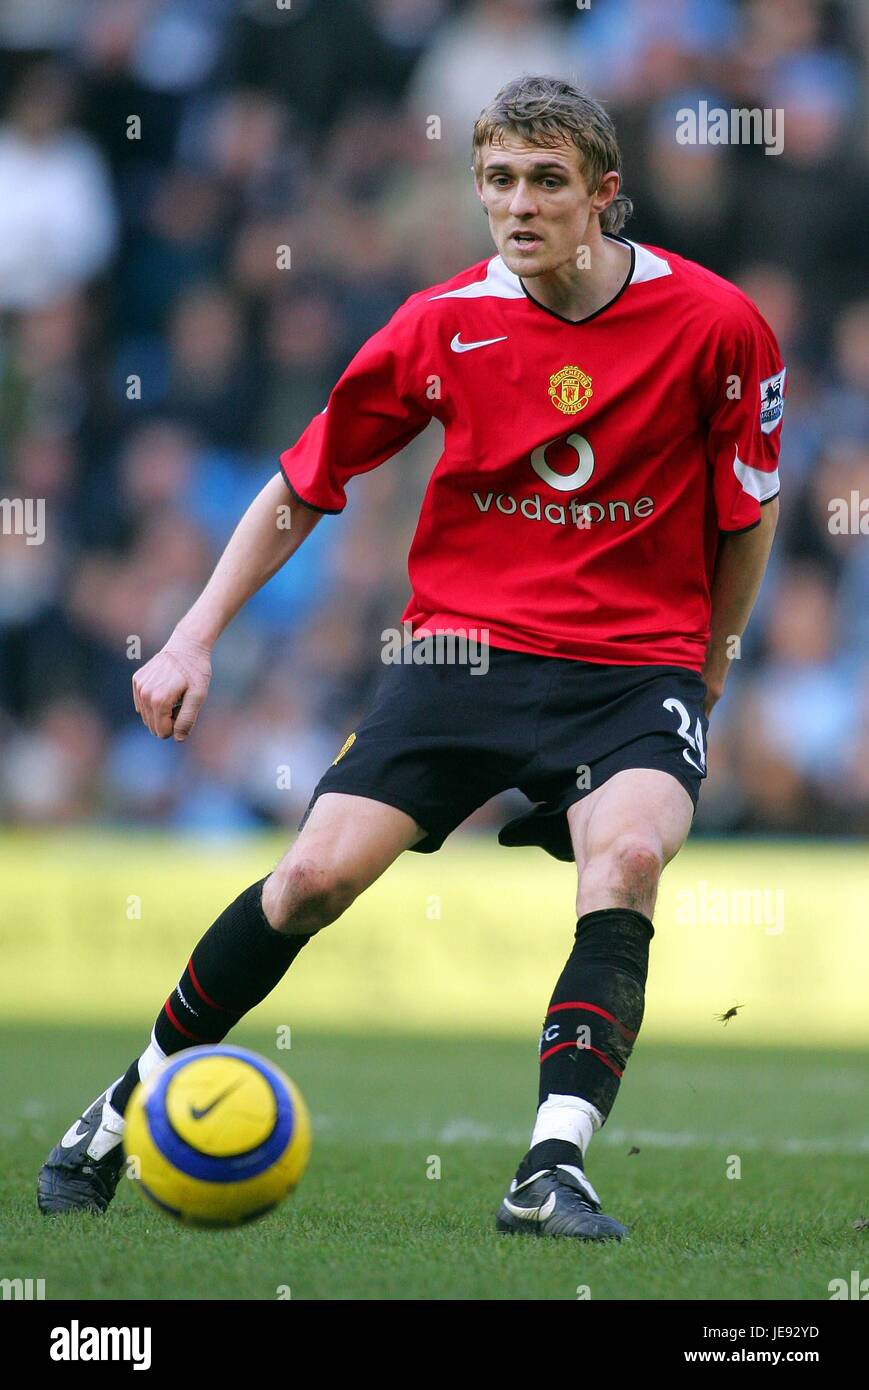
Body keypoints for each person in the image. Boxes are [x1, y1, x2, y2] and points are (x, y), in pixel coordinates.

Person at [38, 75, 784, 1240]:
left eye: (546, 181)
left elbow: (745, 519)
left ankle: (549, 1166)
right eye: (497, 180)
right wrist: (191, 636)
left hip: (633, 670)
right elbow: (300, 487)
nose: (518, 205)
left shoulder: (718, 327)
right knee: (308, 882)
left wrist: (704, 683)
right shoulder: (439, 324)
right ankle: (121, 1104)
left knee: (628, 854)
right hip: (462, 658)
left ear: (604, 197)